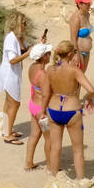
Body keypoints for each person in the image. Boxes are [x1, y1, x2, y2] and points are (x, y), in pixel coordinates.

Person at [44, 39, 94, 178]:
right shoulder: (74, 70)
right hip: (72, 110)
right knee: (78, 149)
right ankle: (81, 181)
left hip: (54, 109)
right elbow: (91, 89)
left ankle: (54, 181)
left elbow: (46, 92)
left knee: (55, 147)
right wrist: (87, 99)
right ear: (69, 54)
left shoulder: (50, 69)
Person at [0, 12, 41, 145]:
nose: (26, 25)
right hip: (10, 74)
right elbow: (13, 60)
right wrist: (27, 53)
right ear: (16, 24)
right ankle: (7, 135)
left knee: (9, 102)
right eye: (24, 23)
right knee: (14, 103)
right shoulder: (10, 38)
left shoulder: (19, 38)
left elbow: (26, 50)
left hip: (14, 74)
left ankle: (4, 128)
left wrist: (38, 45)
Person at [24, 43, 53, 171]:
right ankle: (51, 166)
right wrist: (43, 113)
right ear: (43, 57)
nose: (50, 55)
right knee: (49, 138)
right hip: (42, 110)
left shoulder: (32, 67)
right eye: (48, 53)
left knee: (34, 135)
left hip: (33, 105)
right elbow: (46, 95)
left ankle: (28, 163)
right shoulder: (43, 75)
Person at [68, 0, 94, 70]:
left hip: (87, 51)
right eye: (86, 3)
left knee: (82, 74)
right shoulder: (76, 19)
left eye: (89, 3)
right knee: (77, 77)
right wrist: (76, 55)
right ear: (79, 4)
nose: (89, 5)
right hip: (79, 52)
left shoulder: (87, 15)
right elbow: (73, 38)